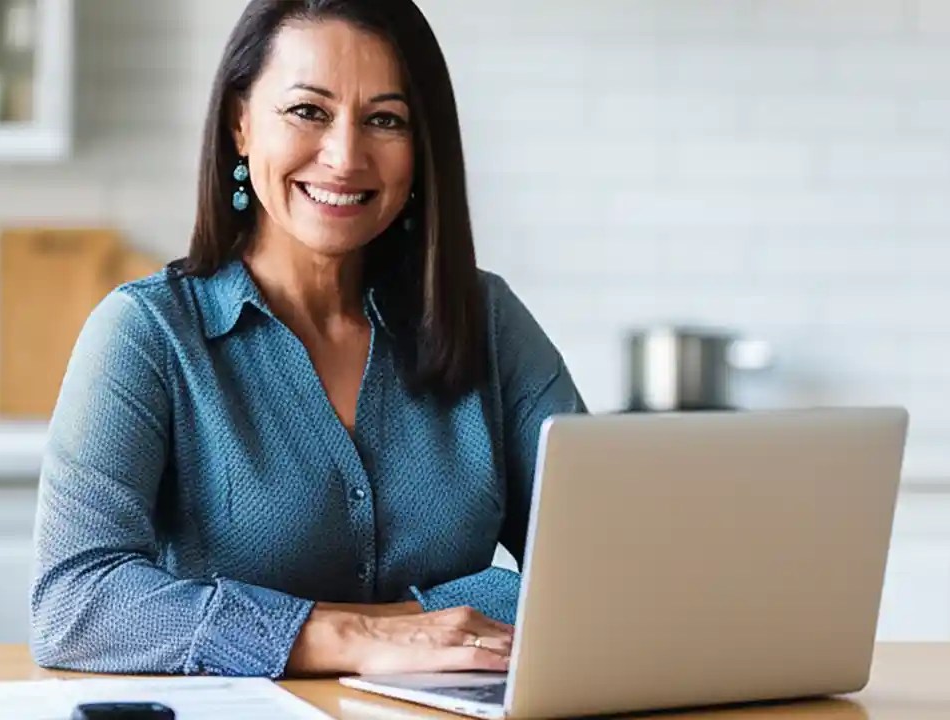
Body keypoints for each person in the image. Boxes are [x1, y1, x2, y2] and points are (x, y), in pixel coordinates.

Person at [30, 0, 585, 679]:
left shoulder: (487, 319)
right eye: (307, 111)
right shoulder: (148, 334)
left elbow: (599, 570)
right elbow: (78, 604)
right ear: (240, 123)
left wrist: (407, 627)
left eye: (385, 119)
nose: (345, 156)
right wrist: (355, 637)